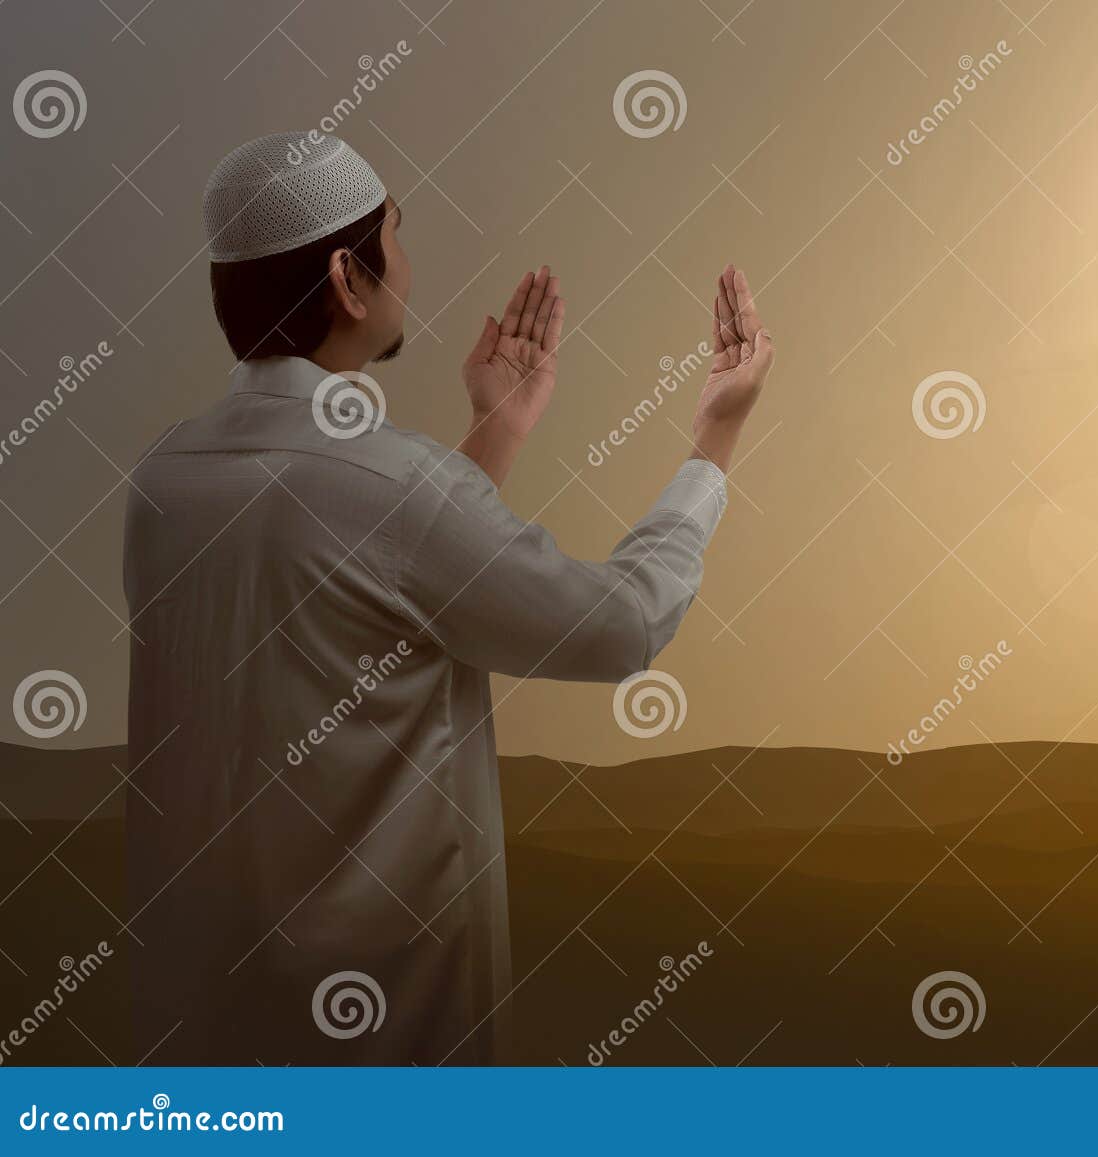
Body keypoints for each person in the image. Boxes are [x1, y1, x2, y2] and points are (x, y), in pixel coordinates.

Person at [120, 133, 773, 1064]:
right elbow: (616, 626)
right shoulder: (391, 486)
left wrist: (493, 433)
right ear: (349, 278)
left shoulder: (162, 480)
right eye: (396, 235)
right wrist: (714, 441)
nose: (410, 267)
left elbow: (364, 593)